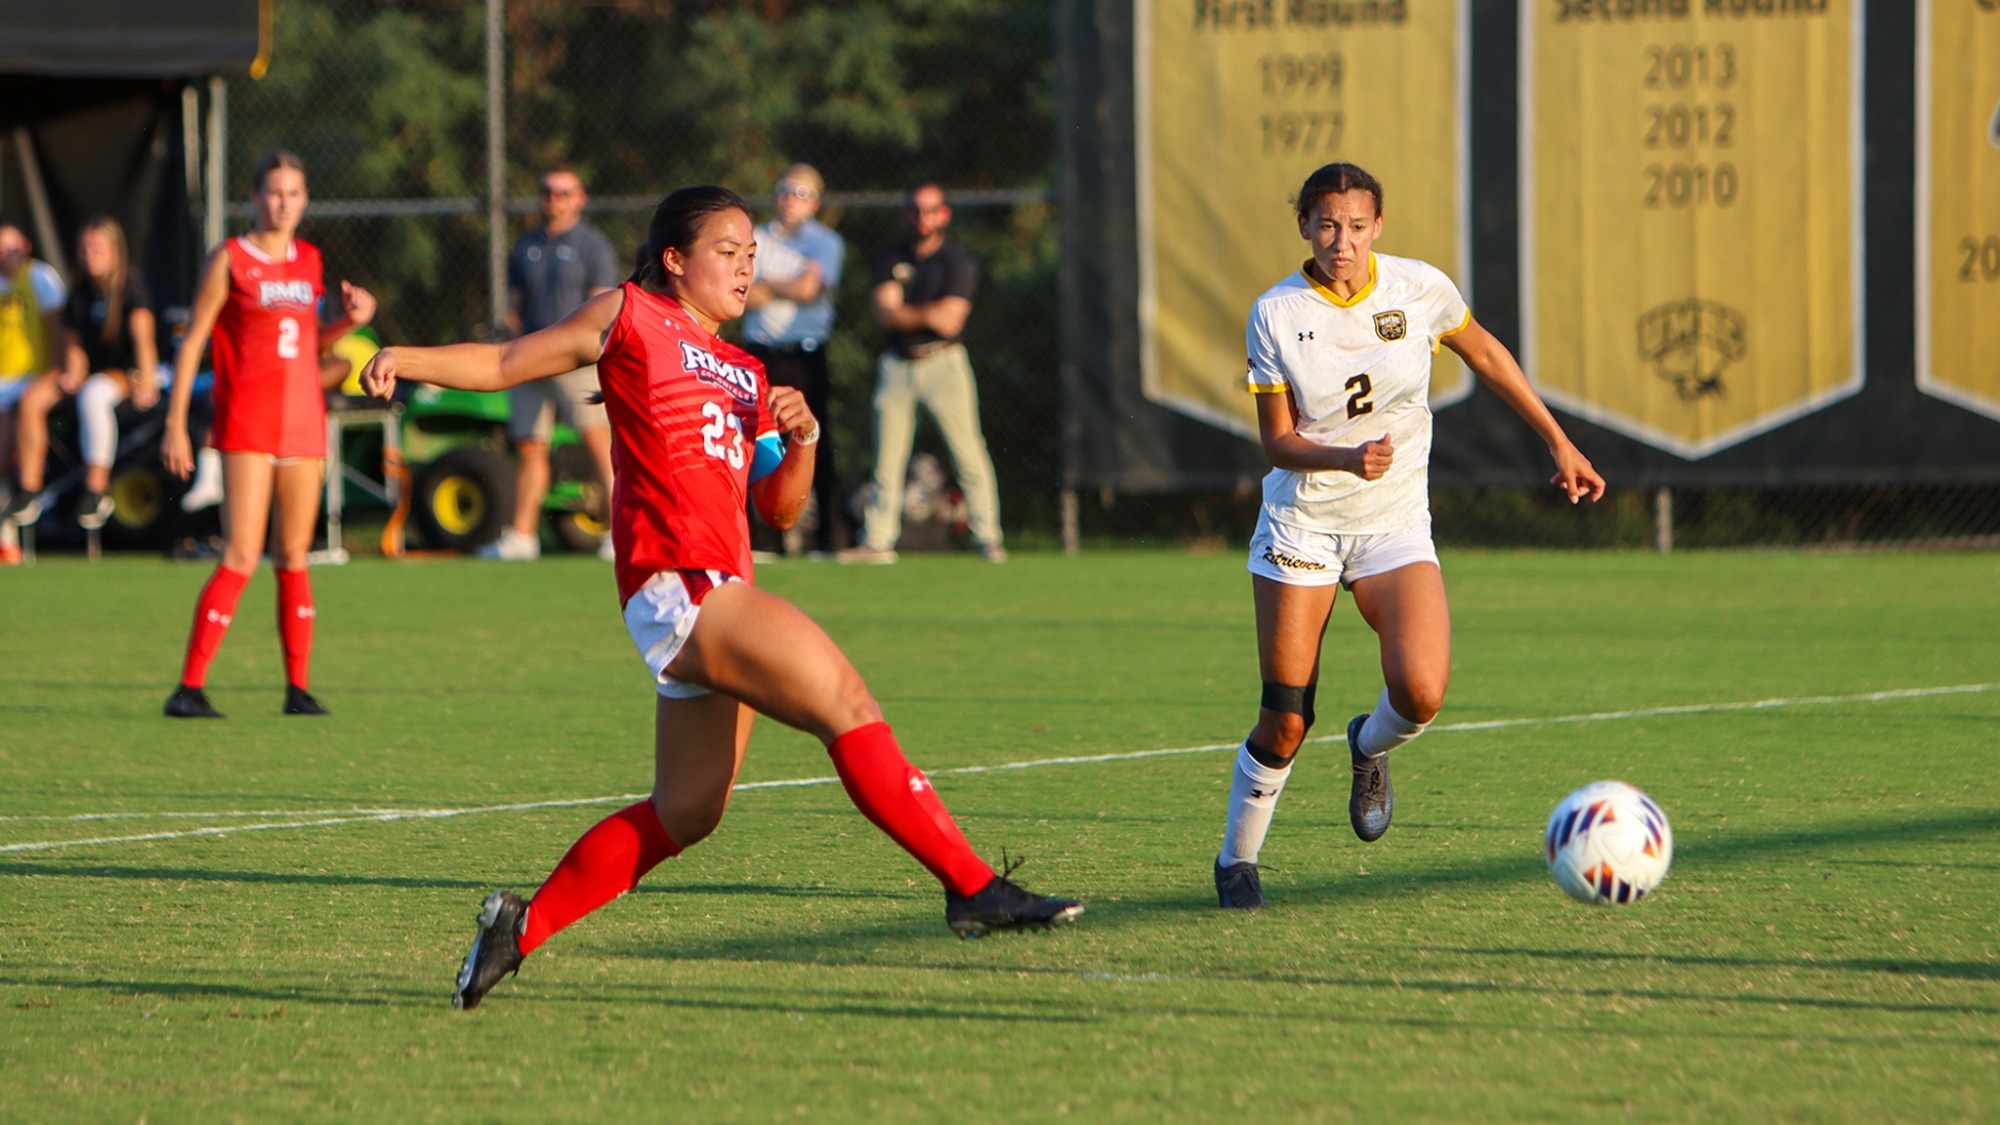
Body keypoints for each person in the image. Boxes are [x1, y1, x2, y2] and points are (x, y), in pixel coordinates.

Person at [356, 186, 1081, 1011]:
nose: (746, 266)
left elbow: (780, 508)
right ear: (676, 259)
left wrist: (802, 436)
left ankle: (517, 930)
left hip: (721, 584)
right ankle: (972, 884)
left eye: (751, 254)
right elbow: (502, 361)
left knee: (689, 810)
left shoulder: (746, 369)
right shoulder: (629, 313)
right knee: (845, 699)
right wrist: (402, 355)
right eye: (728, 251)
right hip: (677, 581)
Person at [1213, 162, 1605, 910]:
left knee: (1422, 692)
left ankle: (1369, 746)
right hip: (1304, 523)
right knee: (1286, 718)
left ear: (1378, 228)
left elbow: (1486, 353)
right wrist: (1342, 456)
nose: (1343, 242)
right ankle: (1238, 859)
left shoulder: (1418, 289)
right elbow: (1276, 442)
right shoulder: (1275, 311)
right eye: (1327, 225)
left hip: (1392, 524)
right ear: (1304, 227)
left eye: (1357, 226)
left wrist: (1558, 440)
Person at [159, 150, 377, 719]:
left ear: (305, 201)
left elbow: (307, 344)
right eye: (274, 192)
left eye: (294, 194)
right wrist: (176, 422)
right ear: (255, 197)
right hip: (248, 423)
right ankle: (188, 688)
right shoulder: (231, 258)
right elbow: (194, 342)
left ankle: (297, 690)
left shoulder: (309, 259)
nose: (284, 203)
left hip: (303, 422)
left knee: (294, 555)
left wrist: (351, 322)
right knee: (239, 554)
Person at [838, 183, 1005, 564]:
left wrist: (910, 313)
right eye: (916, 210)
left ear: (943, 214)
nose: (923, 217)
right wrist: (928, 312)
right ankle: (878, 541)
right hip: (897, 363)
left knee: (968, 452)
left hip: (944, 362)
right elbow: (885, 312)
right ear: (906, 214)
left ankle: (988, 536)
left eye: (931, 210)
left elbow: (951, 320)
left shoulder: (957, 262)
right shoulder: (891, 257)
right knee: (888, 458)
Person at [479, 163, 622, 561]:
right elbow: (512, 305)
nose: (553, 200)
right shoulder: (526, 245)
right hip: (530, 356)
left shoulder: (593, 246)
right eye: (547, 192)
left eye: (563, 193)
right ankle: (522, 537)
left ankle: (619, 533)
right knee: (529, 447)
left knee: (598, 444)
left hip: (576, 360)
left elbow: (603, 303)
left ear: (579, 198)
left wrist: (568, 344)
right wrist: (519, 337)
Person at [5, 217, 158, 531]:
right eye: (85, 249)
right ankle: (29, 490)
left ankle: (95, 489)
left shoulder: (131, 287)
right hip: (88, 373)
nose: (90, 255)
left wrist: (147, 379)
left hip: (123, 374)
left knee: (94, 395)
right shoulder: (78, 291)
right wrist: (74, 369)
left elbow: (144, 341)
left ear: (115, 251)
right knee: (32, 398)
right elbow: (72, 342)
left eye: (97, 249)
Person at [741, 163, 847, 556]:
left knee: (814, 439)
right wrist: (780, 286)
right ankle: (765, 541)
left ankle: (829, 539)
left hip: (806, 354)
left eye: (801, 193)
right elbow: (742, 295)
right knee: (760, 441)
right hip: (762, 353)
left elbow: (810, 289)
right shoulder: (755, 238)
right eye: (785, 190)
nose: (790, 199)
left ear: (815, 202)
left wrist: (767, 284)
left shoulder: (826, 243)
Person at [0, 220, 68, 539]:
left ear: (25, 246)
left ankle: (27, 492)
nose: (5, 255)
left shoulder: (40, 277)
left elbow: (59, 331)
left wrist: (56, 370)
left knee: (19, 414)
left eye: (11, 248)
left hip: (33, 379)